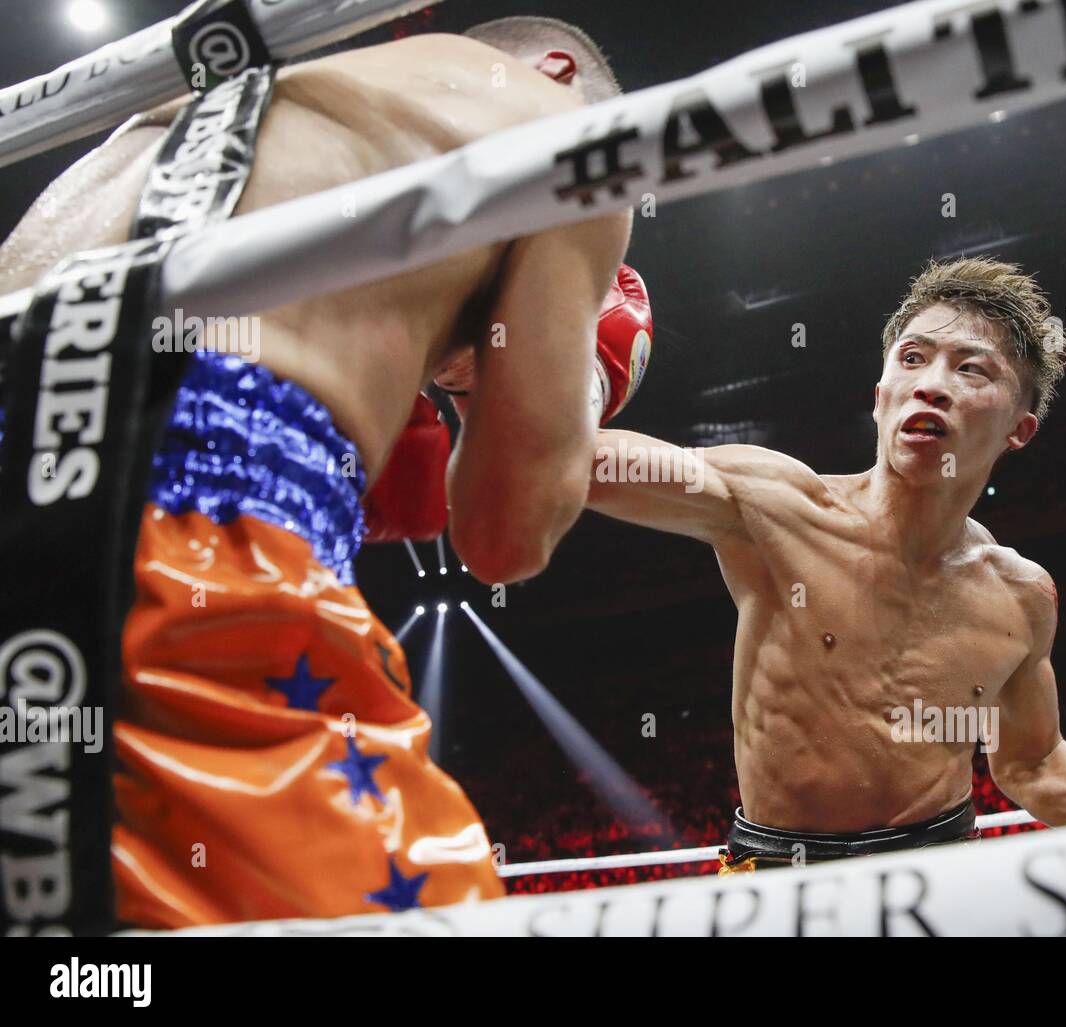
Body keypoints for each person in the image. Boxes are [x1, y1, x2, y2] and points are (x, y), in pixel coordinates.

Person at [0, 17, 641, 927]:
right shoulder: (568, 130)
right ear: (557, 68)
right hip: (192, 537)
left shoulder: (241, 98)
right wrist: (571, 374)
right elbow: (507, 530)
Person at [584, 257, 1066, 871]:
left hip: (941, 881)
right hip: (782, 887)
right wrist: (581, 378)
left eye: (971, 368)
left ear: (1019, 426)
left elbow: (1033, 760)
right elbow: (578, 466)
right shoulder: (775, 506)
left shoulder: (1020, 594)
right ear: (880, 391)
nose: (930, 385)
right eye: (912, 358)